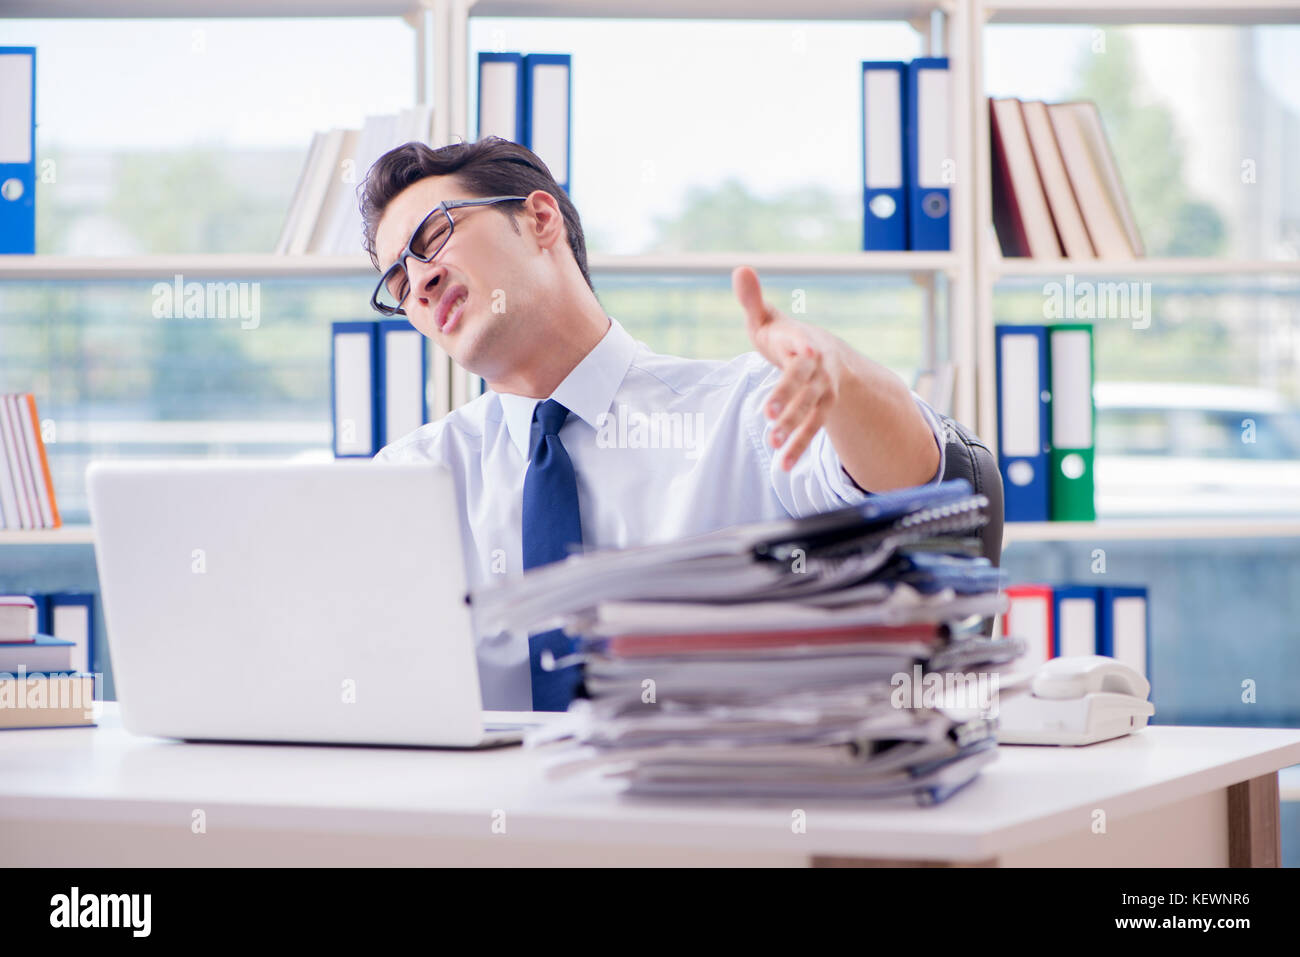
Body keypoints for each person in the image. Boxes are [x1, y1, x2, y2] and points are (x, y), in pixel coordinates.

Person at [365, 137, 948, 711]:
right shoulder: (412, 478)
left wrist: (840, 374)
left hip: (708, 794)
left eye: (434, 237)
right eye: (398, 284)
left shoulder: (744, 409)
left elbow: (912, 485)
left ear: (540, 219)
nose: (420, 282)